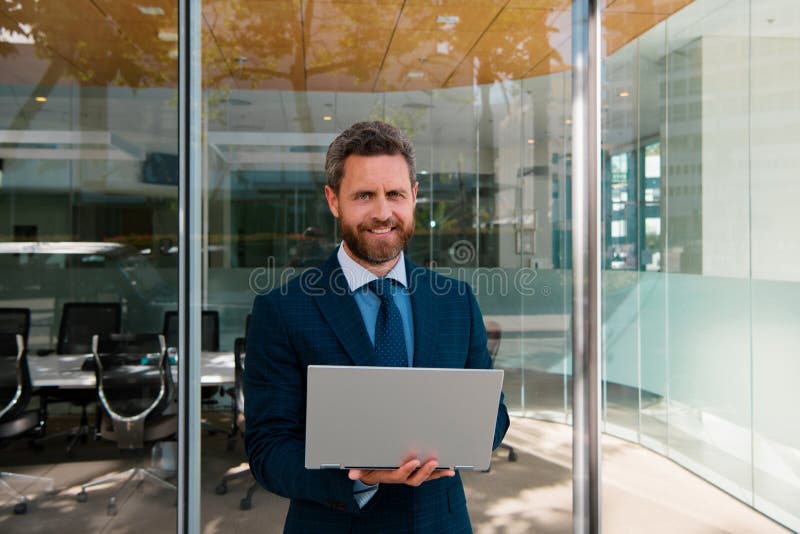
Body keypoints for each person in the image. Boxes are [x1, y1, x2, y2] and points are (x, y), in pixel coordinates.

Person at [244, 120, 509, 533]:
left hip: (440, 522)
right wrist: (359, 477)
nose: (383, 212)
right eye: (364, 195)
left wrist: (458, 442)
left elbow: (494, 415)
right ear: (334, 201)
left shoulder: (455, 301)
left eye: (395, 194)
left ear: (414, 196)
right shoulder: (282, 310)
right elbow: (267, 451)